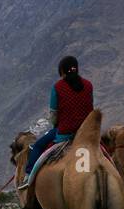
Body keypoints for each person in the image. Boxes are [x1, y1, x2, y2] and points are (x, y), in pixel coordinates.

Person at [20, 55, 94, 183]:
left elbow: (53, 114)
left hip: (65, 134)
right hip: (86, 133)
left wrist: (56, 126)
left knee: (37, 146)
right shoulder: (88, 85)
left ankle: (28, 176)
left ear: (62, 71)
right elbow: (90, 107)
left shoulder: (58, 87)